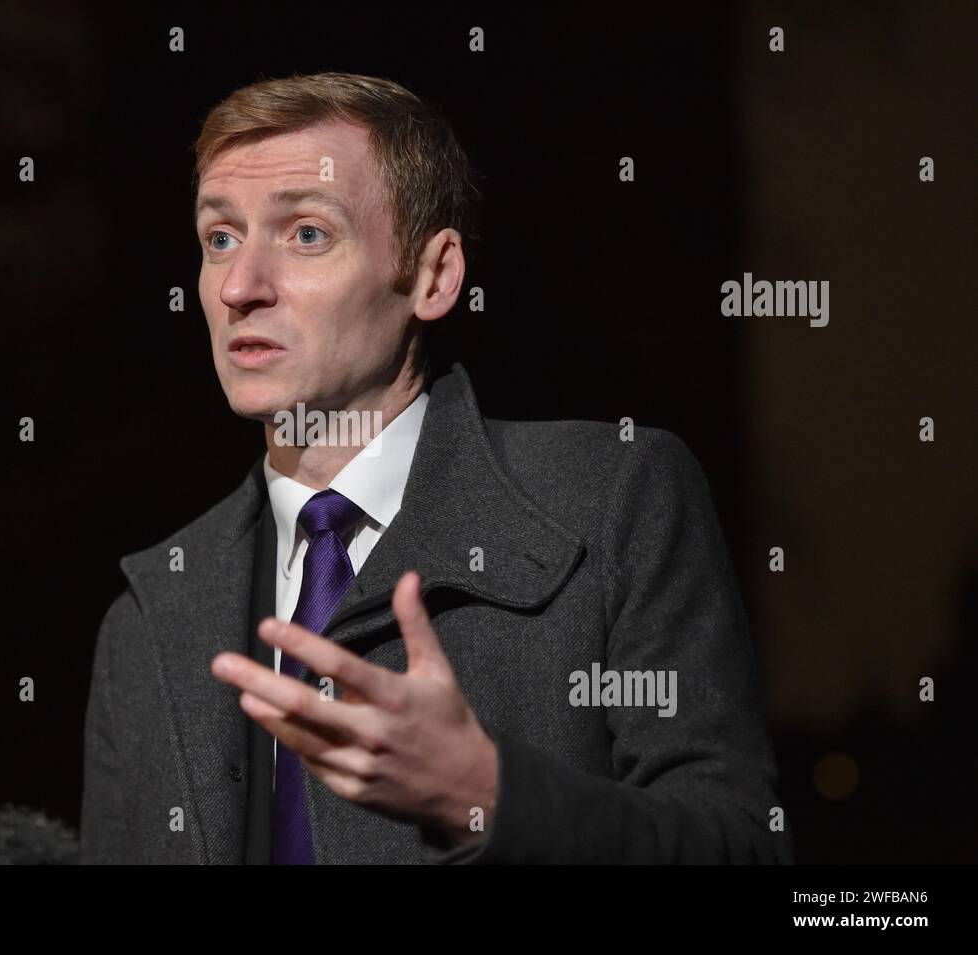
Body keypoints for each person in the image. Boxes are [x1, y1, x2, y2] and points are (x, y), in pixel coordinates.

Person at [79, 71, 791, 864]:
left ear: (433, 276)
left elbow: (742, 848)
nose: (241, 286)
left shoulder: (614, 498)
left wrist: (487, 795)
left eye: (306, 233)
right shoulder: (149, 614)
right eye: (220, 238)